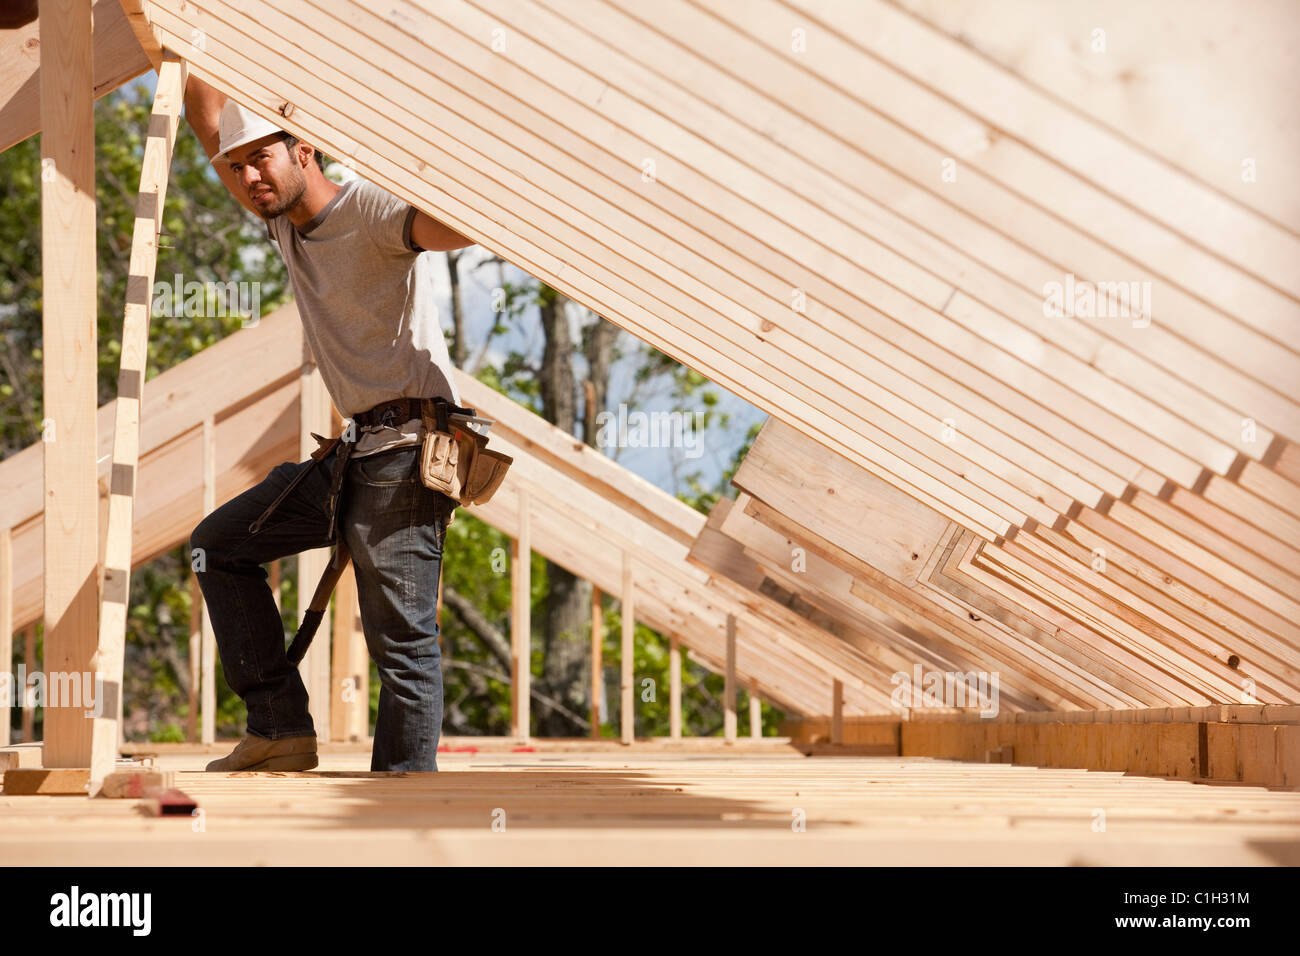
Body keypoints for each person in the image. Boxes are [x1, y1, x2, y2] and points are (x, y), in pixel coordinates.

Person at [184, 76, 476, 772]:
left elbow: (462, 228)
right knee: (218, 545)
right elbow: (206, 123)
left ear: (304, 149)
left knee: (399, 634)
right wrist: (185, 36)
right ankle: (281, 728)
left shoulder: (375, 212)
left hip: (410, 447)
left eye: (262, 158)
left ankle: (405, 790)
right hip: (355, 454)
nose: (250, 175)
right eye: (238, 165)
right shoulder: (282, 221)